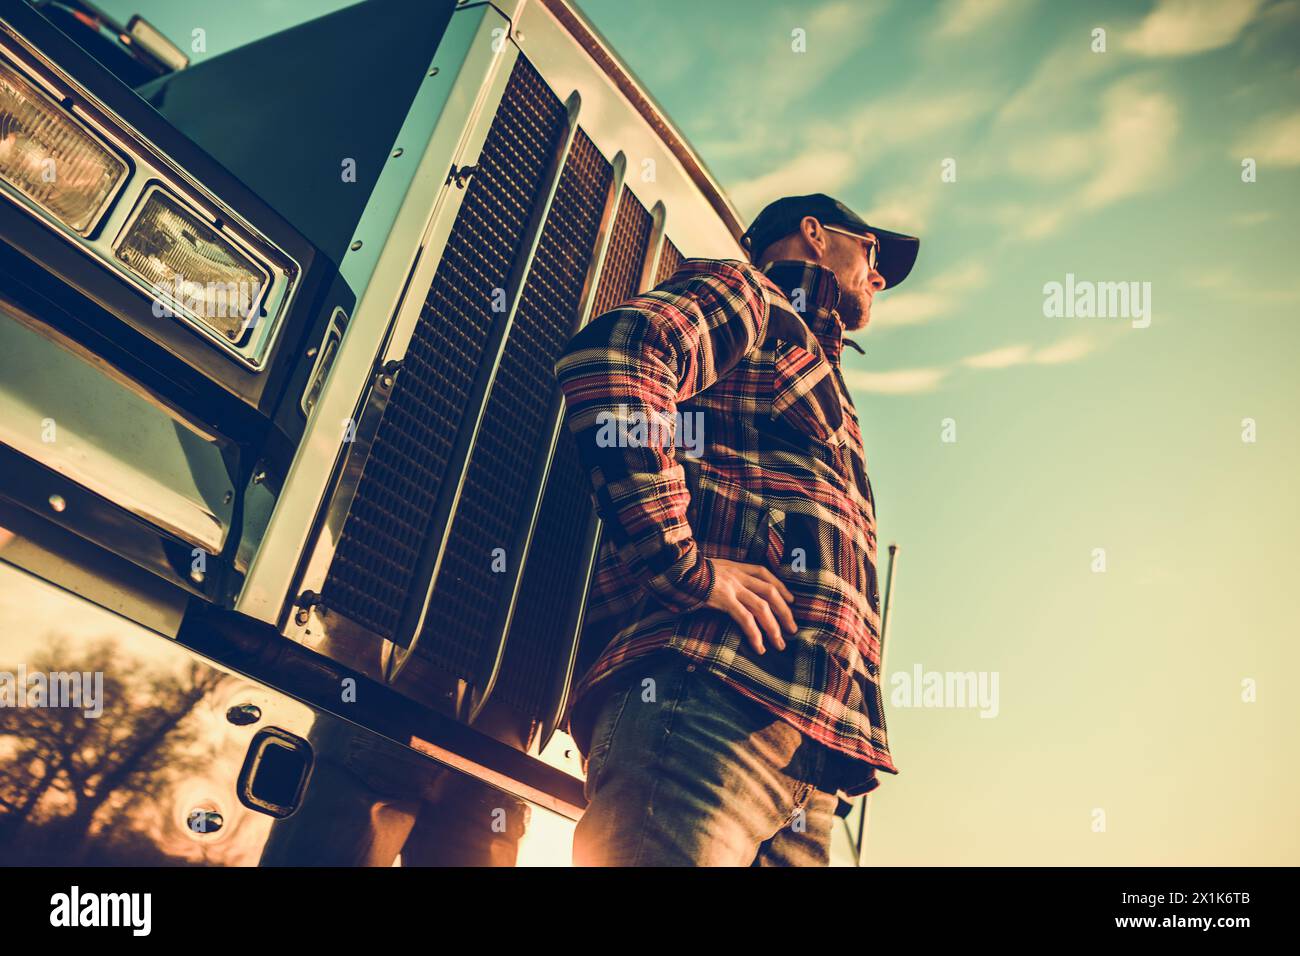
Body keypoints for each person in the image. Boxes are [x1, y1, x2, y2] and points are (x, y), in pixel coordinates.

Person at [555, 193, 919, 866]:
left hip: (808, 765)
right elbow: (616, 359)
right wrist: (681, 563)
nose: (878, 275)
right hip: (705, 705)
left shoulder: (823, 368)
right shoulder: (750, 296)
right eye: (871, 252)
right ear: (813, 235)